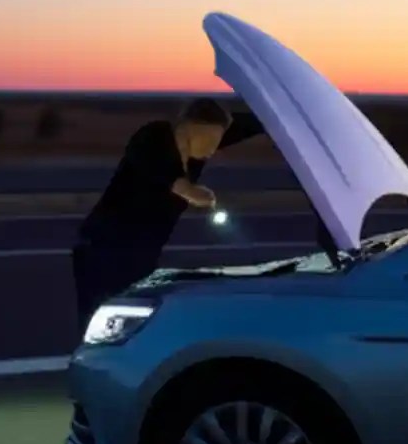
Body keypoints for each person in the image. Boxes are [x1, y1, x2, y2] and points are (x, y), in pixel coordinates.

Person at [72, 97, 268, 336]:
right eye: (209, 141)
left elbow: (250, 124)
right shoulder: (154, 137)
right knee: (103, 323)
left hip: (142, 252)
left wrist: (277, 117)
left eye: (217, 142)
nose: (211, 150)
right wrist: (188, 189)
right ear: (189, 127)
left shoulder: (200, 146)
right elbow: (155, 164)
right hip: (103, 248)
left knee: (135, 323)